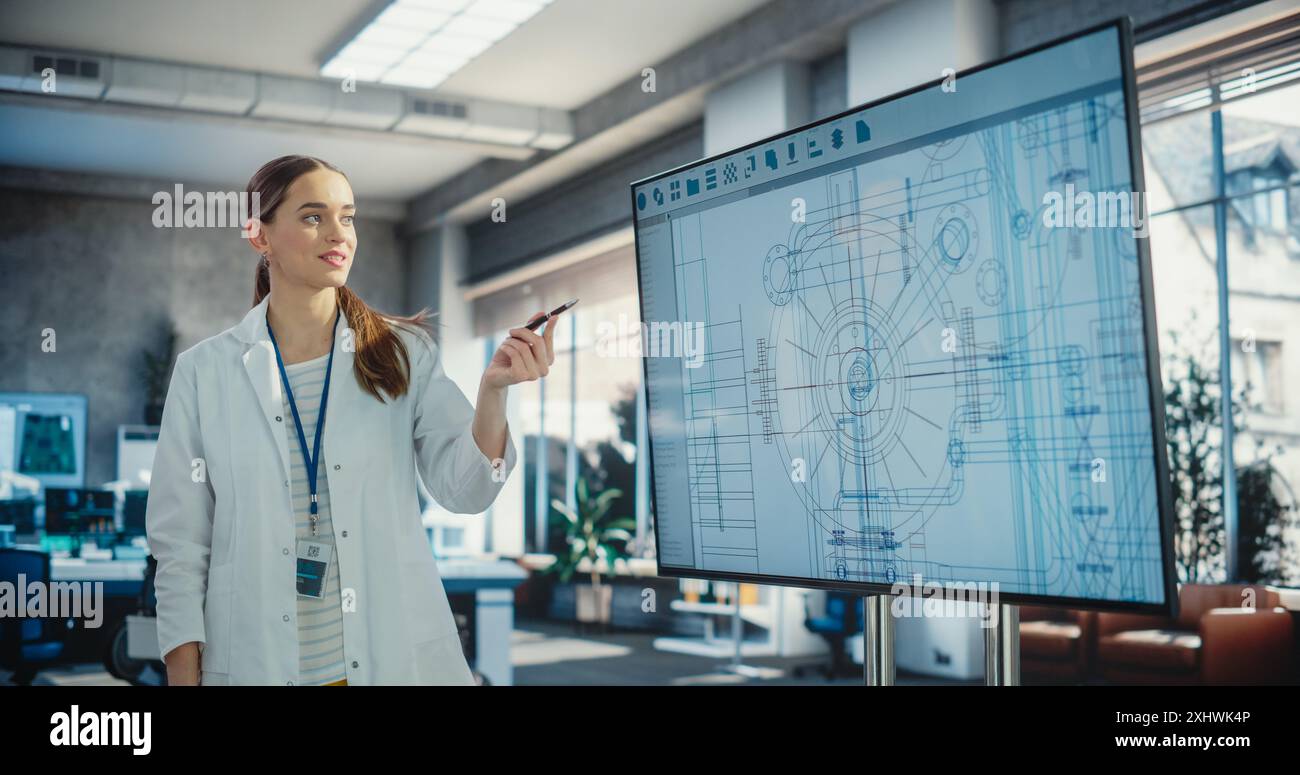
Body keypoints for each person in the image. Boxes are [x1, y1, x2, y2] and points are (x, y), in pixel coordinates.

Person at [146, 155, 557, 685]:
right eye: (313, 217)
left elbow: (467, 491)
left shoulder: (401, 353)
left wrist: (492, 393)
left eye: (349, 216)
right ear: (260, 236)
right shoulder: (205, 372)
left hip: (389, 660)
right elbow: (179, 542)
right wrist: (183, 674)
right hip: (257, 665)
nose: (338, 233)